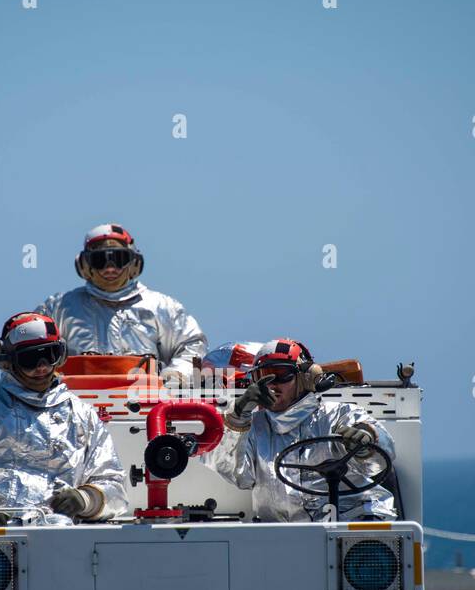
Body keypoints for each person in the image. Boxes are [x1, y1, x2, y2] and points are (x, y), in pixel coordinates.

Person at [0, 312, 128, 533]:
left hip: (59, 534)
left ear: (62, 354)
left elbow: (113, 484)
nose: (42, 367)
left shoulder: (83, 414)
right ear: (6, 360)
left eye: (50, 355)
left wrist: (83, 499)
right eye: (30, 359)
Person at [204, 338, 397, 522]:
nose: (271, 384)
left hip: (350, 529)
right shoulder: (254, 427)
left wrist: (365, 444)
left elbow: (380, 460)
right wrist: (237, 415)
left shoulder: (338, 415)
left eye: (281, 375)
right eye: (262, 376)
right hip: (283, 539)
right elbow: (239, 476)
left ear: (306, 378)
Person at [36, 223, 207, 385]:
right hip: (73, 406)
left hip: (145, 406)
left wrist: (174, 375)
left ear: (134, 262)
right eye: (100, 260)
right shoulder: (60, 308)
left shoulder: (162, 307)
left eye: (118, 259)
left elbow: (192, 345)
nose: (110, 269)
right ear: (84, 265)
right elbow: (33, 345)